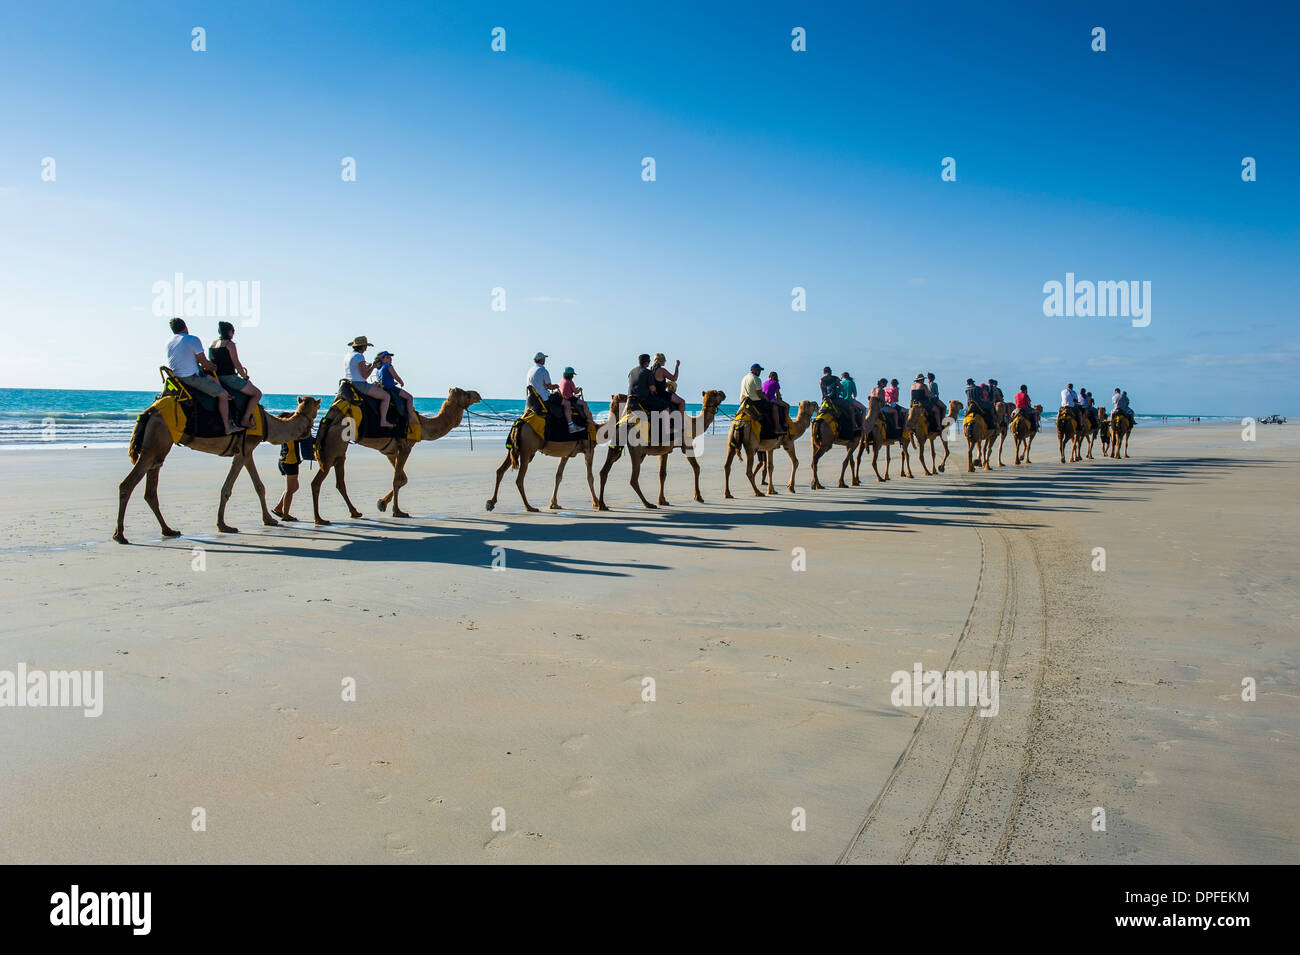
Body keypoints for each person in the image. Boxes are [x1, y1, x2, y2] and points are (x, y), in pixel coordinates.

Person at [167, 318, 241, 434]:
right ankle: (228, 427)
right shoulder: (192, 339)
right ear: (185, 327)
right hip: (190, 377)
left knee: (212, 378)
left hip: (176, 377)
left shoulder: (169, 341)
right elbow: (204, 363)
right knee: (222, 394)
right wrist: (213, 367)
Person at [208, 321, 262, 429]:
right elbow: (236, 363)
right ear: (229, 332)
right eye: (233, 331)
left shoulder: (212, 344)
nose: (233, 333)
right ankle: (245, 419)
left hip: (215, 377)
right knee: (257, 394)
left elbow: (211, 361)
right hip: (229, 378)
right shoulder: (229, 344)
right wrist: (245, 377)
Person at [346, 335, 396, 428]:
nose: (366, 349)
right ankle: (383, 421)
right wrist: (373, 367)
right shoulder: (359, 356)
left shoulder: (349, 355)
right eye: (366, 347)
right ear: (363, 347)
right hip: (360, 384)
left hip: (349, 383)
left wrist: (370, 366)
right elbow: (364, 376)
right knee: (386, 397)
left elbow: (357, 371)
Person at [273, 435, 312, 521]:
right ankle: (286, 515)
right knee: (290, 490)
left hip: (282, 459)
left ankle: (279, 507)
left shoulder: (285, 430)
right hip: (290, 461)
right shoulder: (292, 432)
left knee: (295, 487)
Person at [374, 351, 414, 425]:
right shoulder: (388, 366)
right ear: (381, 359)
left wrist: (392, 382)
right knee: (409, 397)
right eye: (387, 357)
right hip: (391, 389)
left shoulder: (378, 369)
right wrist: (401, 382)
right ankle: (411, 417)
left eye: (390, 357)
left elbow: (383, 380)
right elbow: (395, 376)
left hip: (383, 389)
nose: (390, 359)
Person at [558, 366, 589, 433]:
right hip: (570, 398)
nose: (573, 376)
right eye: (572, 375)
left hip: (563, 398)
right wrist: (579, 389)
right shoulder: (570, 382)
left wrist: (575, 389)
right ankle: (589, 419)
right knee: (584, 403)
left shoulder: (562, 381)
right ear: (570, 375)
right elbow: (575, 392)